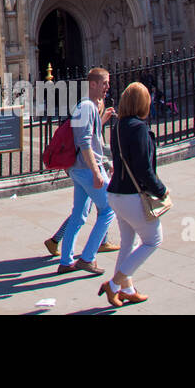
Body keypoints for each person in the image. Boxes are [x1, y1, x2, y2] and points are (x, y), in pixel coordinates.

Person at [101, 81, 168, 307]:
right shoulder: (138, 128)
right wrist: (161, 190)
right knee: (153, 240)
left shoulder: (118, 125)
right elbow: (143, 168)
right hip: (131, 195)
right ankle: (113, 285)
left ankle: (127, 289)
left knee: (129, 242)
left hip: (116, 195)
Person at [56, 68, 115, 276]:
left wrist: (102, 119)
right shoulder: (87, 107)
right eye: (105, 83)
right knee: (109, 208)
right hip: (86, 169)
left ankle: (65, 260)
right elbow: (85, 142)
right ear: (93, 84)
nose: (108, 86)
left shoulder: (86, 107)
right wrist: (97, 172)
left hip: (79, 169)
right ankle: (88, 258)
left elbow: (89, 136)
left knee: (79, 215)